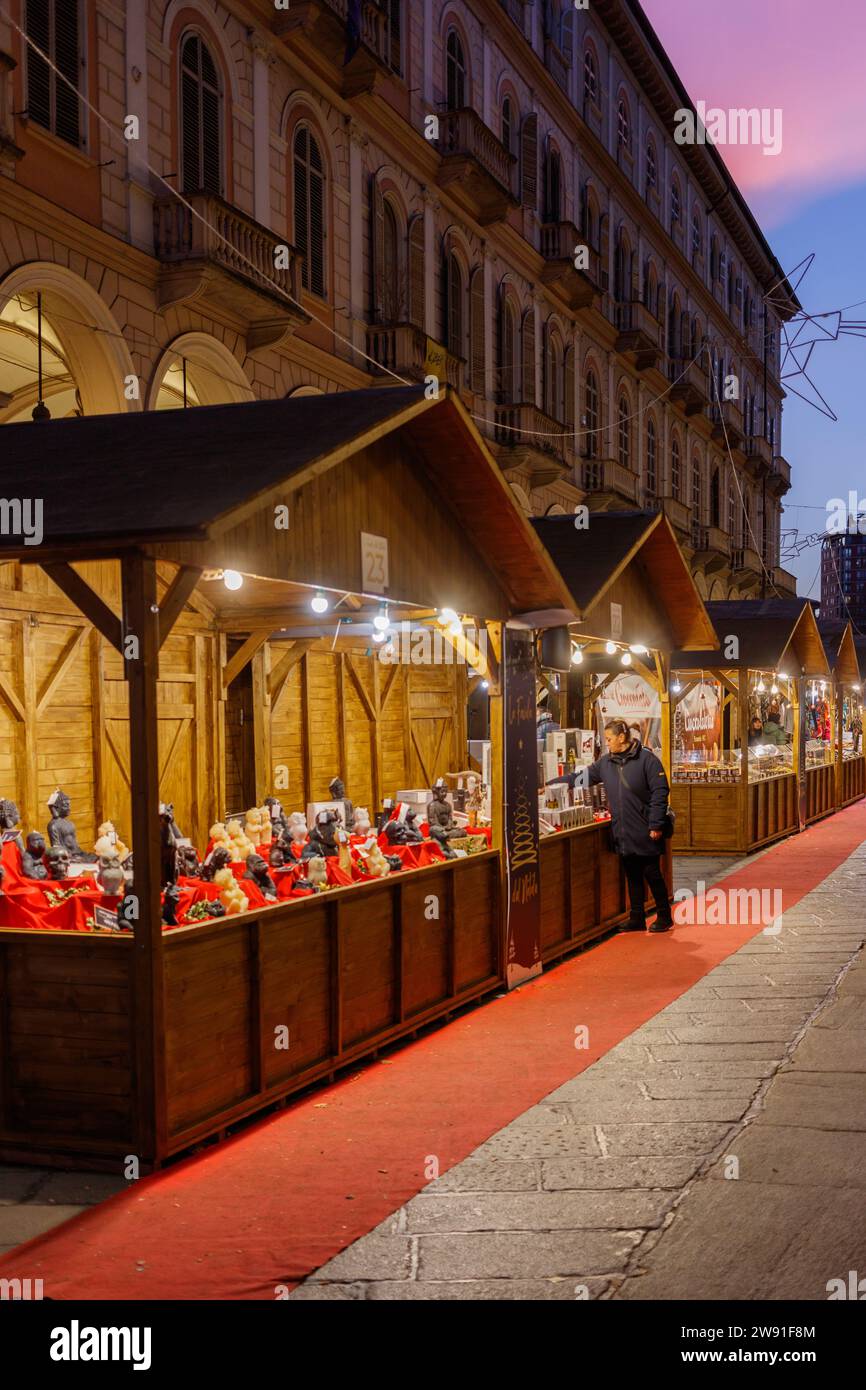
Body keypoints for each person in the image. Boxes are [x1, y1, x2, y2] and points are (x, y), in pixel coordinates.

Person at [585, 718, 673, 933]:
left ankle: (664, 915)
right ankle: (637, 917)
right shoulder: (606, 763)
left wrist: (656, 824)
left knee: (652, 872)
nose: (607, 743)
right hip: (622, 829)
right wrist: (551, 784)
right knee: (631, 874)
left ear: (622, 738)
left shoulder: (648, 760)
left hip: (645, 828)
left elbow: (660, 792)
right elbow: (583, 777)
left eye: (609, 739)